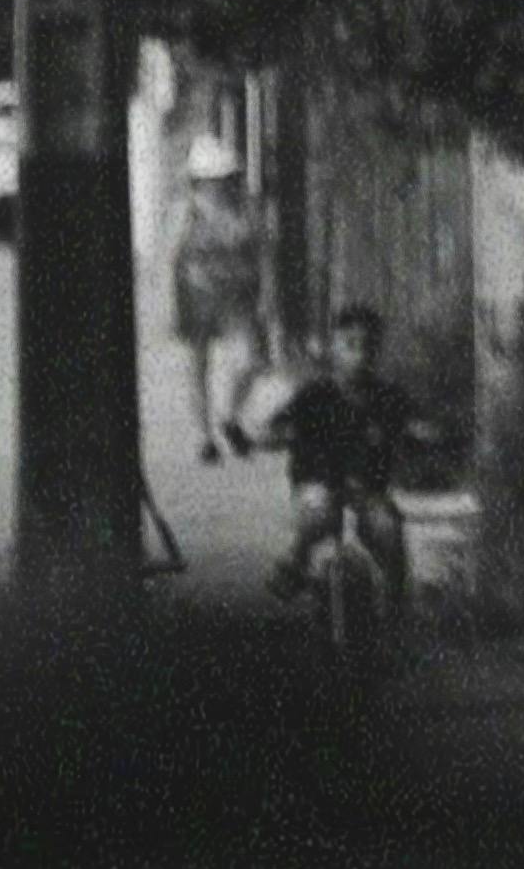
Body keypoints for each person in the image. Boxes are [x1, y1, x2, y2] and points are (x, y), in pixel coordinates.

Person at [235, 304, 432, 620]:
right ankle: (297, 559)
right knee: (319, 512)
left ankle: (396, 613)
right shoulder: (314, 395)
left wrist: (426, 435)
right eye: (350, 344)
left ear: (377, 350)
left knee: (389, 529)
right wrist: (255, 440)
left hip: (368, 490)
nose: (359, 354)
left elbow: (418, 426)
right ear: (334, 347)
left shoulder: (389, 397)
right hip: (319, 483)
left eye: (367, 346)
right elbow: (277, 429)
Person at [168, 139, 271, 458]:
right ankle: (204, 437)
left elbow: (262, 252)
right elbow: (172, 255)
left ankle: (230, 417)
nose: (219, 184)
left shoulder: (246, 209)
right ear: (198, 180)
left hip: (238, 296)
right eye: (212, 178)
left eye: (224, 177)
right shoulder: (185, 211)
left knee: (249, 362)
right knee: (198, 367)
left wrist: (265, 292)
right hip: (197, 295)